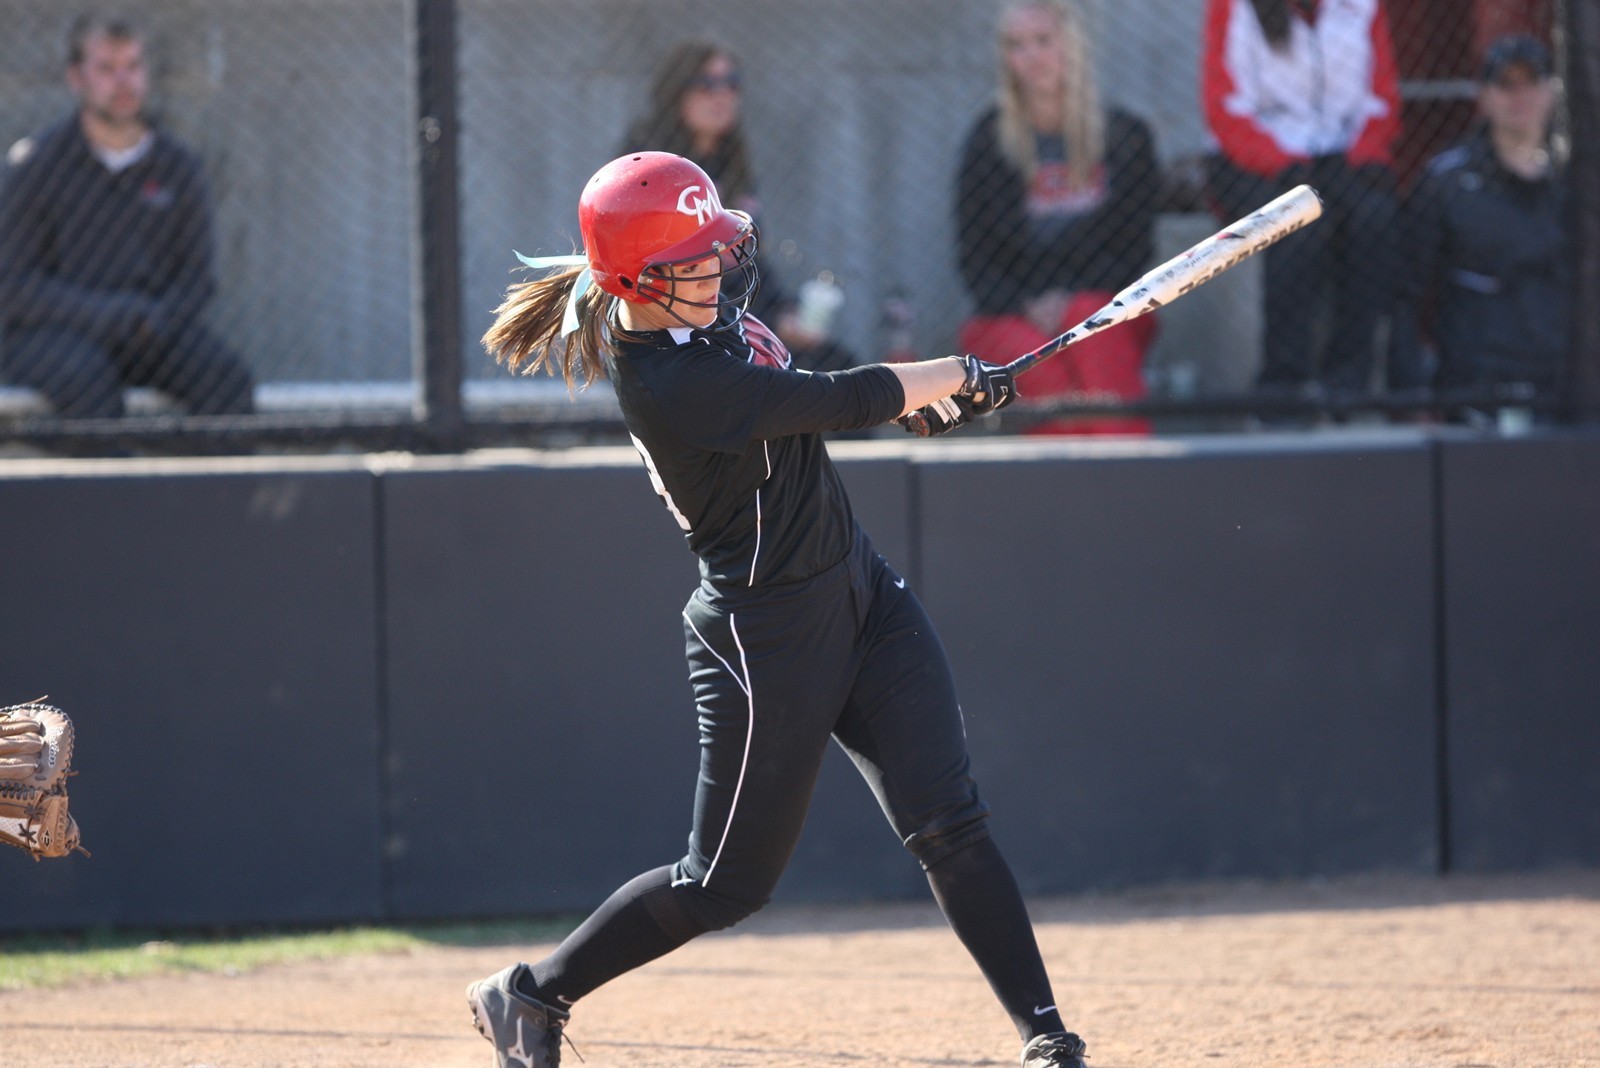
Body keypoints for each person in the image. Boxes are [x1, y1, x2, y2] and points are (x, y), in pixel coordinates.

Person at [466, 151, 1090, 1068]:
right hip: (766, 634)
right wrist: (949, 373)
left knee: (949, 821)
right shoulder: (670, 382)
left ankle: (1047, 1037)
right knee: (722, 884)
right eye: (691, 260)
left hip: (858, 588)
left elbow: (812, 412)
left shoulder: (704, 316)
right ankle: (532, 992)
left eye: (713, 248)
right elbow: (835, 398)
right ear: (637, 281)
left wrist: (927, 403)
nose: (716, 268)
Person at [0, 13, 253, 419]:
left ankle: (202, 465)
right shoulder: (38, 164)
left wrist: (156, 320)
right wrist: (110, 315)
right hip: (53, 335)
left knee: (227, 381)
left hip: (148, 331)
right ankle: (115, 464)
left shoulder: (177, 166)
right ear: (77, 78)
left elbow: (197, 278)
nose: (124, 82)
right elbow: (15, 286)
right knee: (89, 385)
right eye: (106, 69)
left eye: (133, 66)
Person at [955, 0, 1161, 436]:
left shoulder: (1125, 136)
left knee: (1093, 326)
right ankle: (1089, 473)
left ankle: (1125, 465)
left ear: (1073, 45)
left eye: (1044, 41)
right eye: (1016, 45)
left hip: (1101, 303)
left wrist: (1069, 305)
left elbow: (1135, 248)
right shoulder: (988, 141)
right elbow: (974, 257)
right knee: (1034, 362)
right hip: (1013, 311)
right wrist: (1028, 305)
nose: (1031, 57)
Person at [620, 39, 859, 374]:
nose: (722, 95)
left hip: (739, 315)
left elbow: (749, 255)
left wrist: (784, 312)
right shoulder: (649, 166)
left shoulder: (730, 162)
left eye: (731, 83)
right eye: (706, 84)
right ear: (676, 92)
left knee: (839, 365)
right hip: (682, 324)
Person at [1202, 0, 1402, 395]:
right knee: (1298, 224)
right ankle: (1283, 385)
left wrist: (1365, 154)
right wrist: (1281, 163)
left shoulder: (1363, 6)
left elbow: (1381, 97)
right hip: (1253, 159)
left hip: (1339, 155)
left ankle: (1348, 382)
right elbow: (1225, 108)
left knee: (1374, 219)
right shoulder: (1233, 6)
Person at [1394, 34, 1568, 414]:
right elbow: (1406, 290)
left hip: (1565, 379)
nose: (1519, 97)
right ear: (1485, 96)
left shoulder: (1580, 181)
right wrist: (1413, 391)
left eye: (1530, 83)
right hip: (1476, 379)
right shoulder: (1446, 182)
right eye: (1505, 84)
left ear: (1551, 92)